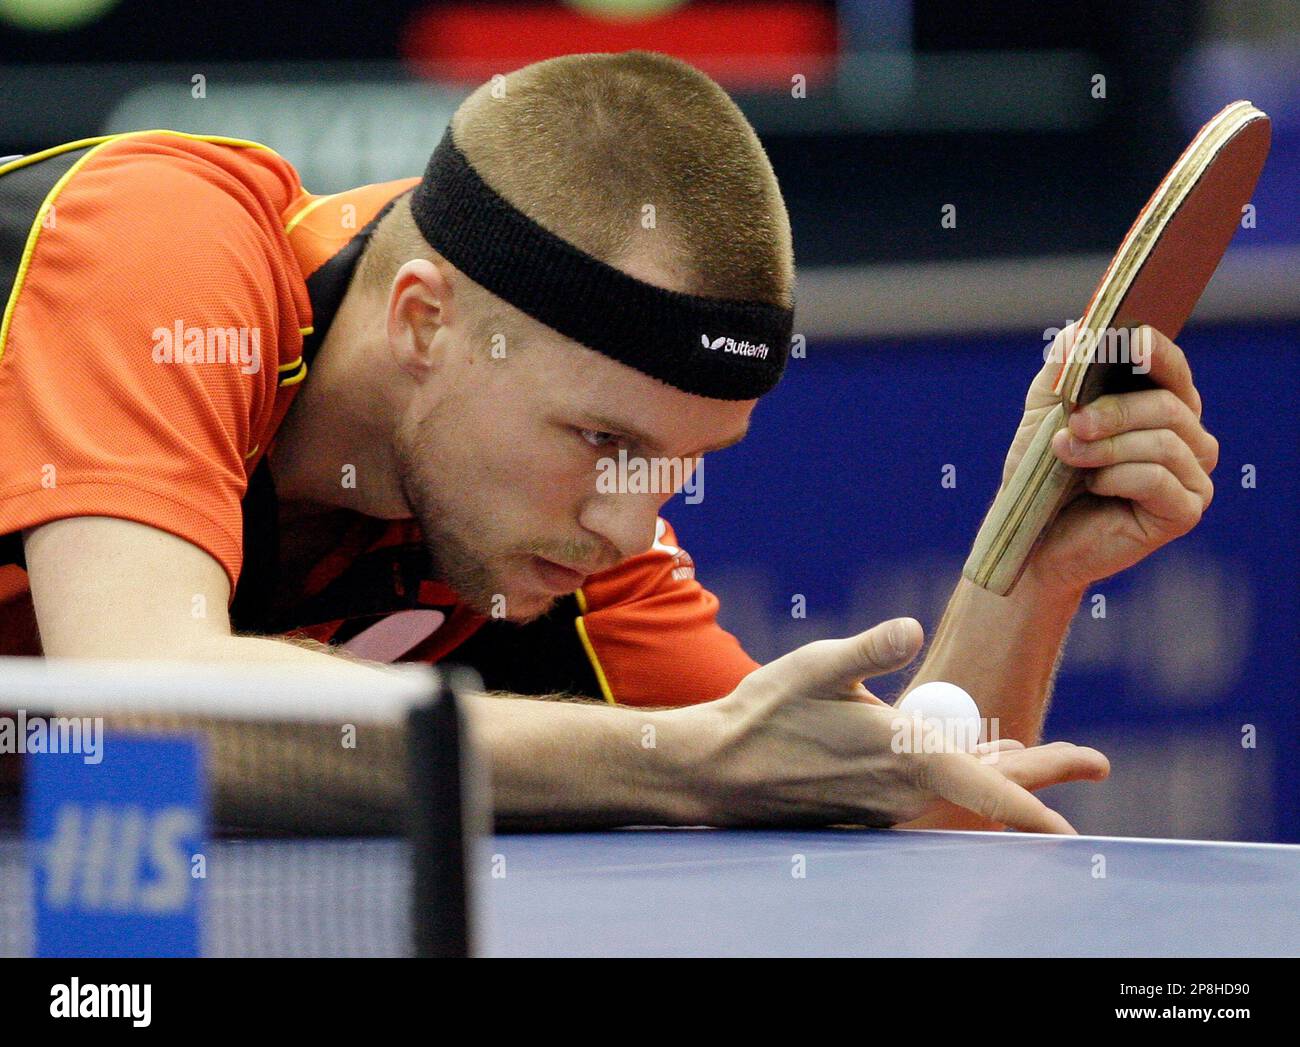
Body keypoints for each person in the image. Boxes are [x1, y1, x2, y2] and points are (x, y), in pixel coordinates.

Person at [0, 52, 1218, 832]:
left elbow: (881, 816)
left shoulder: (552, 543)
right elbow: (138, 710)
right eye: (599, 438)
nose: (627, 525)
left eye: (678, 467)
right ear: (427, 322)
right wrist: (674, 762)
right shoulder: (166, 240)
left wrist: (1024, 568)